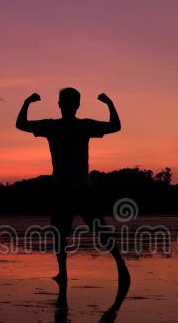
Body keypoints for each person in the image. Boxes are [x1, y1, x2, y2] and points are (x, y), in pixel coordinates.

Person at [15, 87, 130, 286]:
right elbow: (115, 126)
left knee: (83, 229)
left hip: (74, 188)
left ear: (70, 105)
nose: (66, 105)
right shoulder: (63, 126)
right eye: (65, 102)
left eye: (67, 102)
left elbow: (21, 124)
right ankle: (67, 272)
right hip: (68, 188)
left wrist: (27, 102)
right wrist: (109, 103)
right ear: (72, 105)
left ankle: (116, 266)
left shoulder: (67, 126)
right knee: (67, 230)